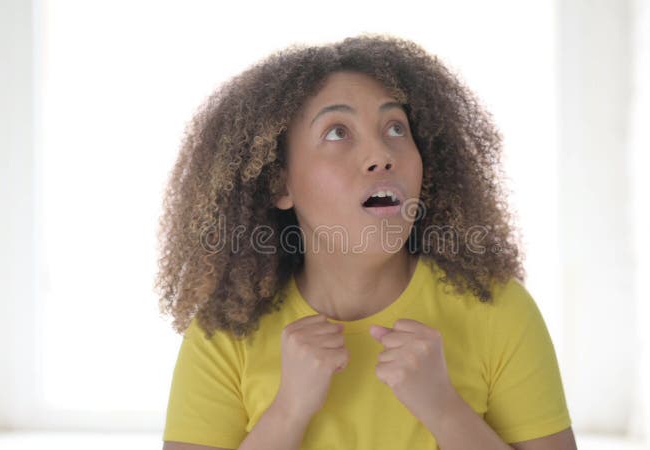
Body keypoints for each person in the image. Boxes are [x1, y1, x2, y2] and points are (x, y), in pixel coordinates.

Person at [156, 33, 576, 450]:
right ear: (279, 182)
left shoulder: (498, 310)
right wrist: (287, 413)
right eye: (338, 132)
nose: (381, 153)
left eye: (396, 127)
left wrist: (445, 410)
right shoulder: (225, 332)